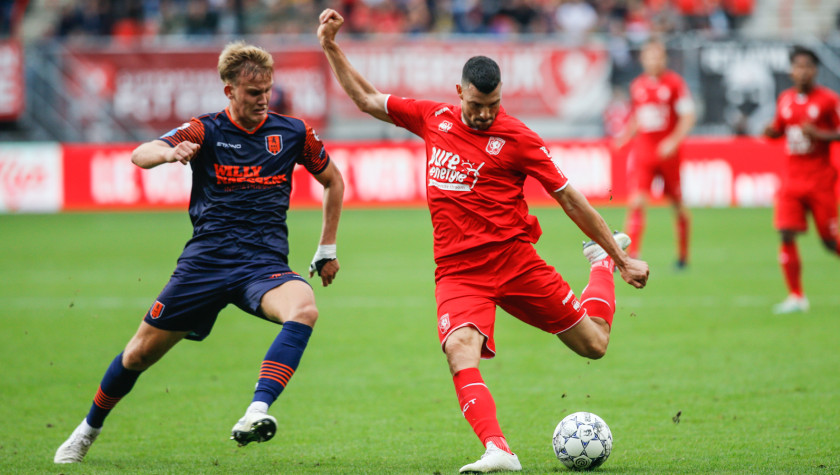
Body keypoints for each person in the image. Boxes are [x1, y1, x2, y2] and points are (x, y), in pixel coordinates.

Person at [318, 8, 649, 473]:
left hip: (516, 264)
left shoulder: (518, 137)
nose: (483, 114)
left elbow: (571, 200)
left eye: (492, 105)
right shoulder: (433, 118)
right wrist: (331, 46)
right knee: (459, 350)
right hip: (457, 273)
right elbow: (368, 99)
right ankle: (499, 450)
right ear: (459, 93)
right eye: (475, 105)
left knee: (594, 345)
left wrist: (621, 257)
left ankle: (600, 265)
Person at [54, 41, 345, 463]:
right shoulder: (205, 129)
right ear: (229, 91)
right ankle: (87, 430)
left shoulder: (293, 133)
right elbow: (140, 154)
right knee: (137, 354)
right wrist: (171, 153)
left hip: (262, 265)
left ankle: (255, 411)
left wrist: (327, 247)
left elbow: (333, 181)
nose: (262, 99)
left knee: (304, 309)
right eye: (252, 92)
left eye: (267, 90)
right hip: (205, 264)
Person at [763, 45, 840, 314]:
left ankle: (797, 295)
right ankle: (796, 296)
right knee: (785, 233)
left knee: (831, 243)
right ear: (791, 70)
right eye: (798, 66)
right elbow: (779, 130)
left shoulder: (828, 100)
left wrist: (819, 134)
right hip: (792, 181)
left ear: (815, 70)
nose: (802, 71)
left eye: (807, 66)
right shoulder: (784, 99)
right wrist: (771, 132)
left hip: (820, 181)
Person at [615, 39, 696, 268]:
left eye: (658, 56)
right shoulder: (638, 85)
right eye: (650, 56)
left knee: (677, 204)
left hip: (669, 154)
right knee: (637, 201)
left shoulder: (674, 84)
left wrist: (673, 140)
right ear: (643, 59)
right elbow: (638, 117)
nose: (654, 60)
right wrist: (625, 136)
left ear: (664, 59)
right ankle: (633, 254)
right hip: (645, 152)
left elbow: (688, 116)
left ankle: (682, 256)